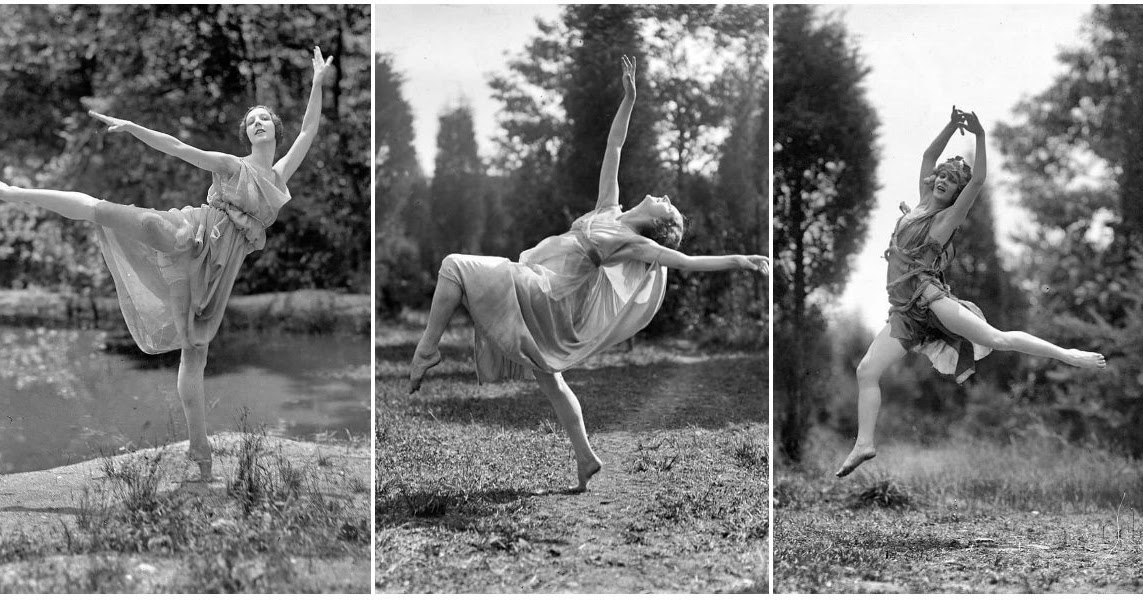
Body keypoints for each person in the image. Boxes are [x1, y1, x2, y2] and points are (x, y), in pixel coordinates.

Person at [408, 55, 769, 492]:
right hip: (549, 295)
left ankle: (427, 349)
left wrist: (743, 260)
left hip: (548, 293)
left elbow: (689, 263)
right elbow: (614, 147)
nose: (665, 194)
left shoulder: (635, 242)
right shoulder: (608, 208)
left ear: (660, 224)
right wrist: (629, 97)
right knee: (551, 378)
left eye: (668, 204)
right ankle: (585, 458)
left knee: (453, 266)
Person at [0, 47, 335, 482]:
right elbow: (177, 147)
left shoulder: (279, 176)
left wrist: (316, 83)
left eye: (264, 118)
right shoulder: (231, 166)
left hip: (218, 271)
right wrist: (132, 126)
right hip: (192, 235)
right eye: (250, 120)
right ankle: (11, 192)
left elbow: (309, 129)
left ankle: (200, 448)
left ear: (274, 129)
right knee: (113, 213)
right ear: (246, 135)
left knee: (194, 350)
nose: (257, 122)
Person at [835, 107, 1106, 479]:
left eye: (951, 181)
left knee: (995, 337)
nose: (944, 180)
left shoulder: (944, 220)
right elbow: (929, 156)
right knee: (867, 370)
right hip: (903, 313)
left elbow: (976, 182)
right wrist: (950, 125)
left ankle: (1067, 355)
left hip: (931, 301)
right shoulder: (917, 207)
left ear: (955, 195)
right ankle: (864, 443)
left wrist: (979, 135)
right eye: (941, 176)